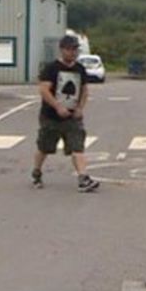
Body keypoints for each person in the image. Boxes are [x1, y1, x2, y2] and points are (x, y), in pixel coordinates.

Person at [31, 35, 100, 192]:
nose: (73, 53)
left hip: (71, 117)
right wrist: (57, 106)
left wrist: (80, 108)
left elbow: (84, 91)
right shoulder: (51, 68)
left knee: (77, 147)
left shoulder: (79, 69)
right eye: (70, 49)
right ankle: (36, 171)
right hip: (51, 117)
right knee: (44, 147)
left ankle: (83, 178)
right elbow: (44, 90)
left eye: (75, 49)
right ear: (62, 50)